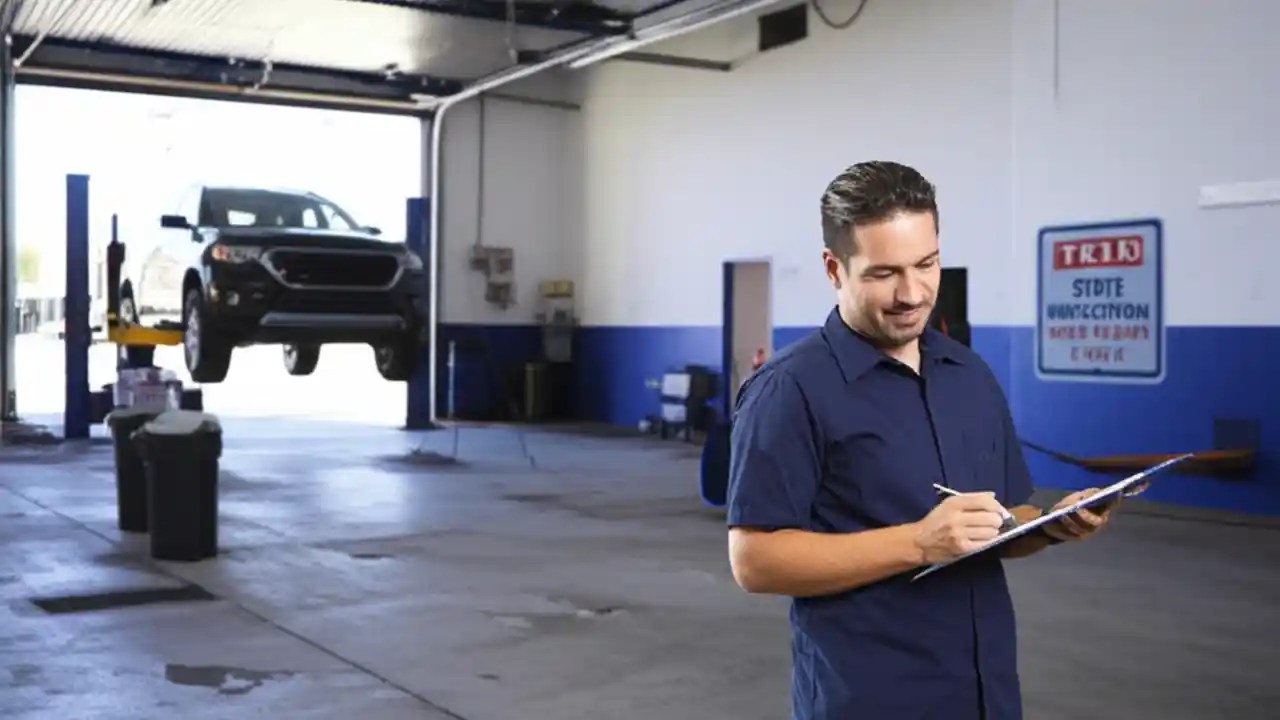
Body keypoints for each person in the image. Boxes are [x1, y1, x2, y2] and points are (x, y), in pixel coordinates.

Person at [725, 160, 1116, 720]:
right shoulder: (789, 390)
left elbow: (1002, 519)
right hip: (871, 699)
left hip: (985, 693)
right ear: (834, 268)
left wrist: (1048, 526)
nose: (912, 292)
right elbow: (755, 561)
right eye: (884, 273)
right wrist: (919, 542)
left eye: (926, 264)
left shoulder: (968, 373)